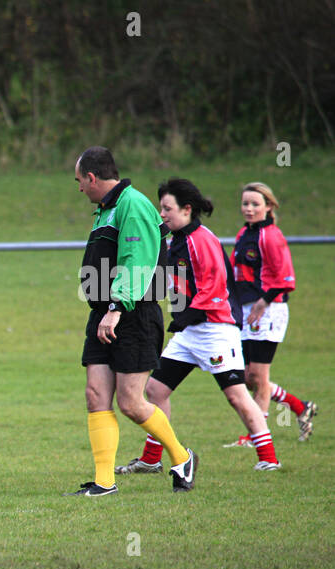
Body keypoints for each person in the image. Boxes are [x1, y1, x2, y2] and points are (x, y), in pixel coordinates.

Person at [118, 179, 281, 475]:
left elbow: (214, 288)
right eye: (161, 208)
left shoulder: (201, 240)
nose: (162, 214)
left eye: (167, 208)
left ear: (187, 209)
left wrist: (186, 315)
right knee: (155, 390)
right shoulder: (173, 239)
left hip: (216, 330)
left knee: (236, 395)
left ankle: (269, 458)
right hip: (189, 331)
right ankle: (152, 459)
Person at [69, 146, 197, 496]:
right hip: (105, 311)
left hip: (132, 312)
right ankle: (104, 482)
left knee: (130, 402)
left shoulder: (133, 205)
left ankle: (182, 457)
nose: (79, 187)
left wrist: (116, 307)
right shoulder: (105, 210)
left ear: (92, 177)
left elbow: (136, 262)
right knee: (96, 394)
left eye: (80, 180)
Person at [227, 182, 315, 444]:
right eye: (245, 203)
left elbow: (286, 278)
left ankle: (257, 438)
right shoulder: (245, 233)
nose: (249, 208)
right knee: (245, 377)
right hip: (247, 311)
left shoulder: (271, 236)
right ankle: (300, 407)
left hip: (269, 310)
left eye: (256, 204)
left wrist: (263, 302)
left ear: (268, 206)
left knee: (258, 377)